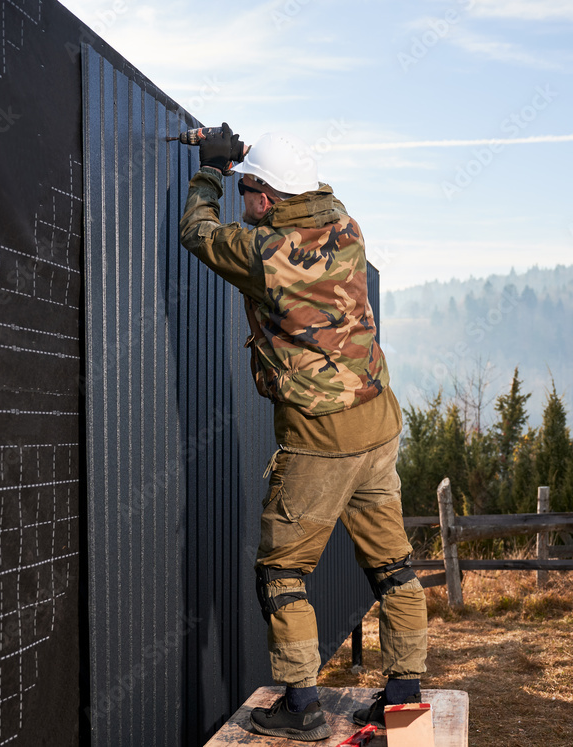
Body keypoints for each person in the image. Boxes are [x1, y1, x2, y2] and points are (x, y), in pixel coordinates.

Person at [179, 124, 428, 741]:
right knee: (392, 565)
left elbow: (196, 233)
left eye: (248, 192)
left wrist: (211, 170)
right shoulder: (345, 224)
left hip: (321, 436)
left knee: (283, 572)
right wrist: (247, 156)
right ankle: (404, 697)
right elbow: (302, 189)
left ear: (265, 196)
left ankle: (303, 707)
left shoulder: (263, 253)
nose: (245, 203)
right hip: (379, 419)